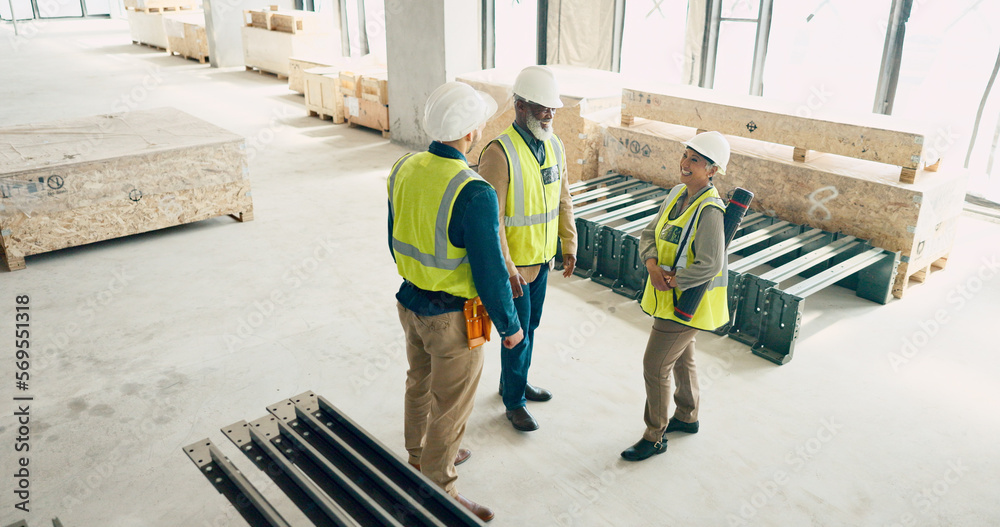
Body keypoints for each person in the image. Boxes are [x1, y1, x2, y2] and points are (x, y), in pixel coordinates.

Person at [388, 82, 524, 521]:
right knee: (452, 403)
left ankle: (416, 456)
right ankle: (439, 487)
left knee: (418, 382)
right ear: (470, 134)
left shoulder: (403, 167)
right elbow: (489, 271)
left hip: (409, 302)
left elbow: (395, 236)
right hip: (451, 318)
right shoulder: (475, 191)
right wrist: (510, 325)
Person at [620, 131, 732, 462]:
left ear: (712, 170)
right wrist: (653, 267)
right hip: (667, 296)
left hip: (689, 302)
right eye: (685, 155)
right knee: (683, 356)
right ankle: (687, 415)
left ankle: (654, 435)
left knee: (655, 366)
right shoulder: (676, 194)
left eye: (695, 160)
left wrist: (674, 280)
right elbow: (648, 233)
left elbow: (711, 263)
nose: (685, 164)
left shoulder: (711, 211)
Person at [477, 65, 578, 432]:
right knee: (515, 333)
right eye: (542, 108)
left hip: (543, 259)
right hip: (516, 267)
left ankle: (512, 383)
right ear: (520, 106)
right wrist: (507, 266)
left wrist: (569, 243)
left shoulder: (555, 144)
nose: (550, 114)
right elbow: (492, 221)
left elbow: (563, 198)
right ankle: (514, 401)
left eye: (553, 108)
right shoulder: (499, 153)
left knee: (531, 326)